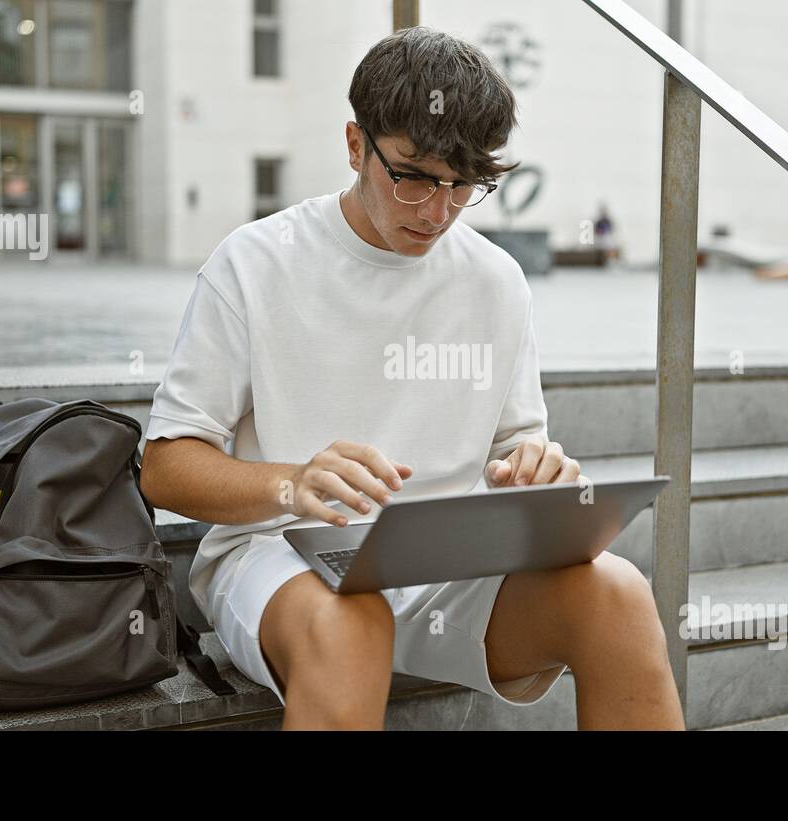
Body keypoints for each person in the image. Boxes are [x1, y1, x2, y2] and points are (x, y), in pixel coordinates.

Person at [139, 26, 684, 731]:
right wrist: (291, 481)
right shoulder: (255, 262)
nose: (438, 212)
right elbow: (163, 466)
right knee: (350, 620)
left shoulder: (495, 280)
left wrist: (531, 469)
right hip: (283, 553)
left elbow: (513, 449)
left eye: (464, 186)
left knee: (618, 594)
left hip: (445, 561)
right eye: (414, 175)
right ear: (355, 144)